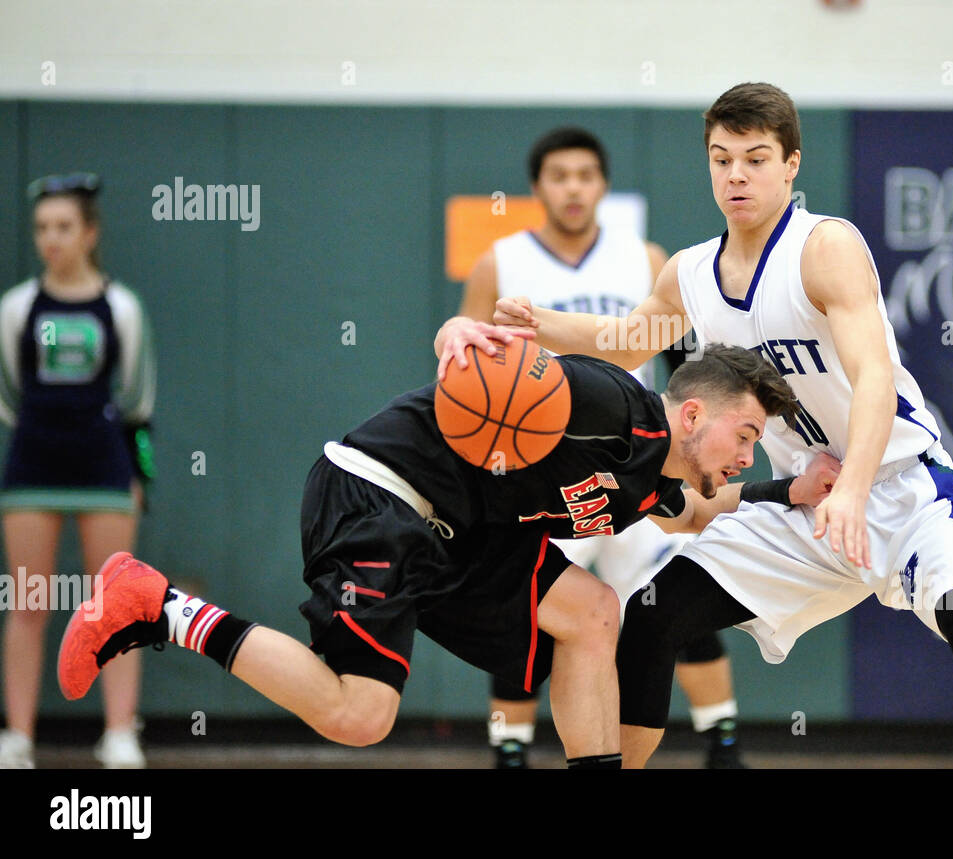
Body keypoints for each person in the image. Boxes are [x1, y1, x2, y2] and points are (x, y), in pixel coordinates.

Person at [496, 83, 953, 768]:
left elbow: (874, 375)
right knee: (653, 612)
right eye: (722, 159)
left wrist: (857, 488)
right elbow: (629, 338)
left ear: (791, 164)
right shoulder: (692, 272)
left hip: (904, 488)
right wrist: (539, 324)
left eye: (755, 158)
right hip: (807, 497)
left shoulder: (823, 247)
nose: (736, 176)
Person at [58, 325, 832, 769]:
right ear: (693, 413)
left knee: (595, 612)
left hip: (463, 532)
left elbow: (695, 513)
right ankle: (160, 605)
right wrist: (456, 334)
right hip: (383, 493)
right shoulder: (612, 405)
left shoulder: (652, 479)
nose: (748, 455)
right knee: (360, 715)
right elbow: (494, 358)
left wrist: (784, 492)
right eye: (748, 436)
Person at [460, 126, 750, 768]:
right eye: (558, 175)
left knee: (674, 602)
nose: (572, 187)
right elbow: (467, 374)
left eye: (584, 175)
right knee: (536, 611)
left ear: (602, 185)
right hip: (541, 470)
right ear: (538, 186)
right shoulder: (499, 263)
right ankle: (509, 752)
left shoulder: (645, 259)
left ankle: (722, 744)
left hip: (634, 465)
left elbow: (684, 363)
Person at [0, 173, 156, 770]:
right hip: (32, 466)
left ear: (90, 233)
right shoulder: (16, 307)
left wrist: (142, 477)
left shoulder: (122, 308)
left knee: (114, 602)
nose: (51, 239)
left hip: (104, 466)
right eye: (42, 228)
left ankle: (119, 734)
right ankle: (18, 735)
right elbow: (10, 395)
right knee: (28, 603)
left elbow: (139, 405)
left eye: (64, 227)